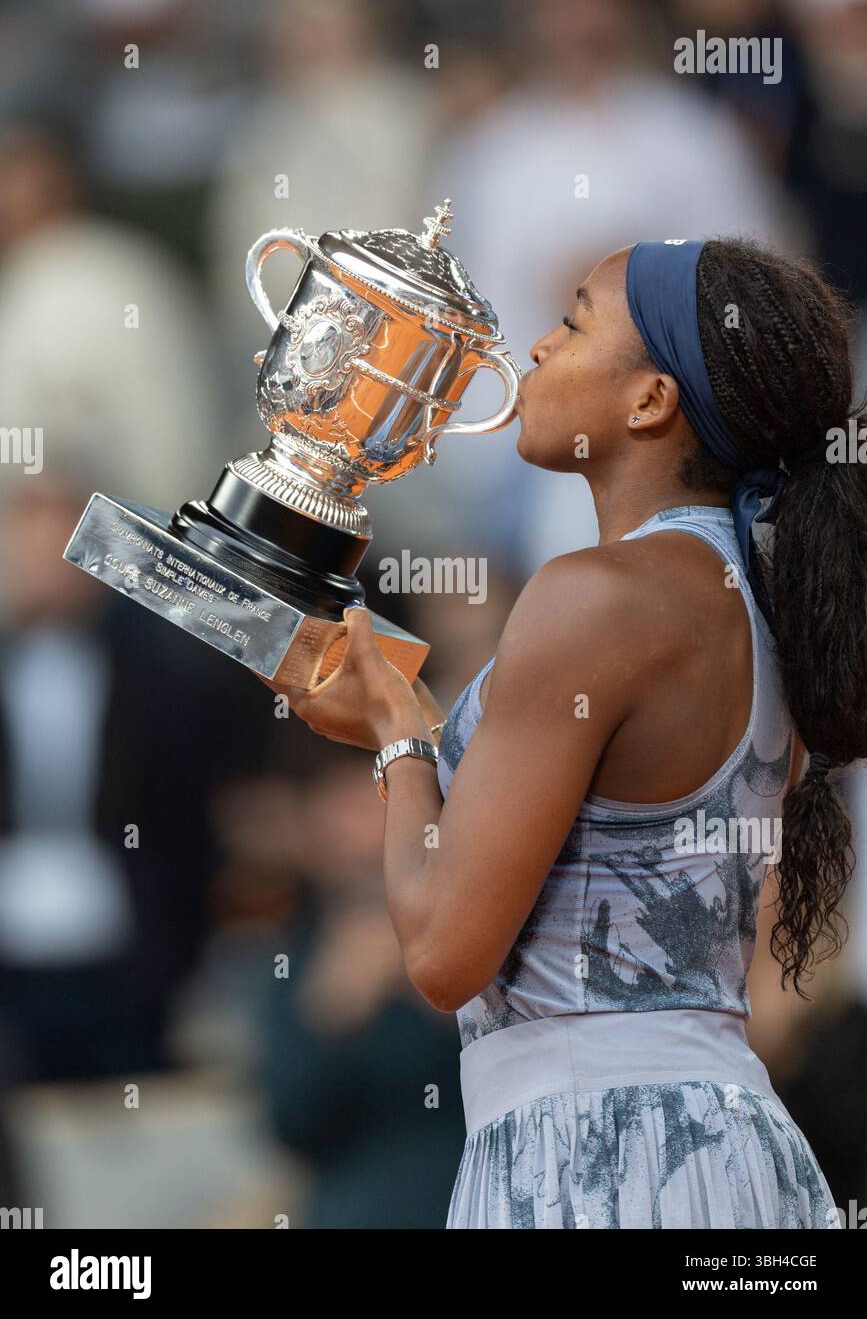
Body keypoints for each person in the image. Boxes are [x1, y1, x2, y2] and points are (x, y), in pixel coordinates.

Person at [279, 234, 863, 1228]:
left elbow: (440, 954)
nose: (538, 348)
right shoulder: (759, 602)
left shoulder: (593, 599)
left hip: (603, 1156)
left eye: (576, 320)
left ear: (650, 402)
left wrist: (397, 735)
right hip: (720, 1150)